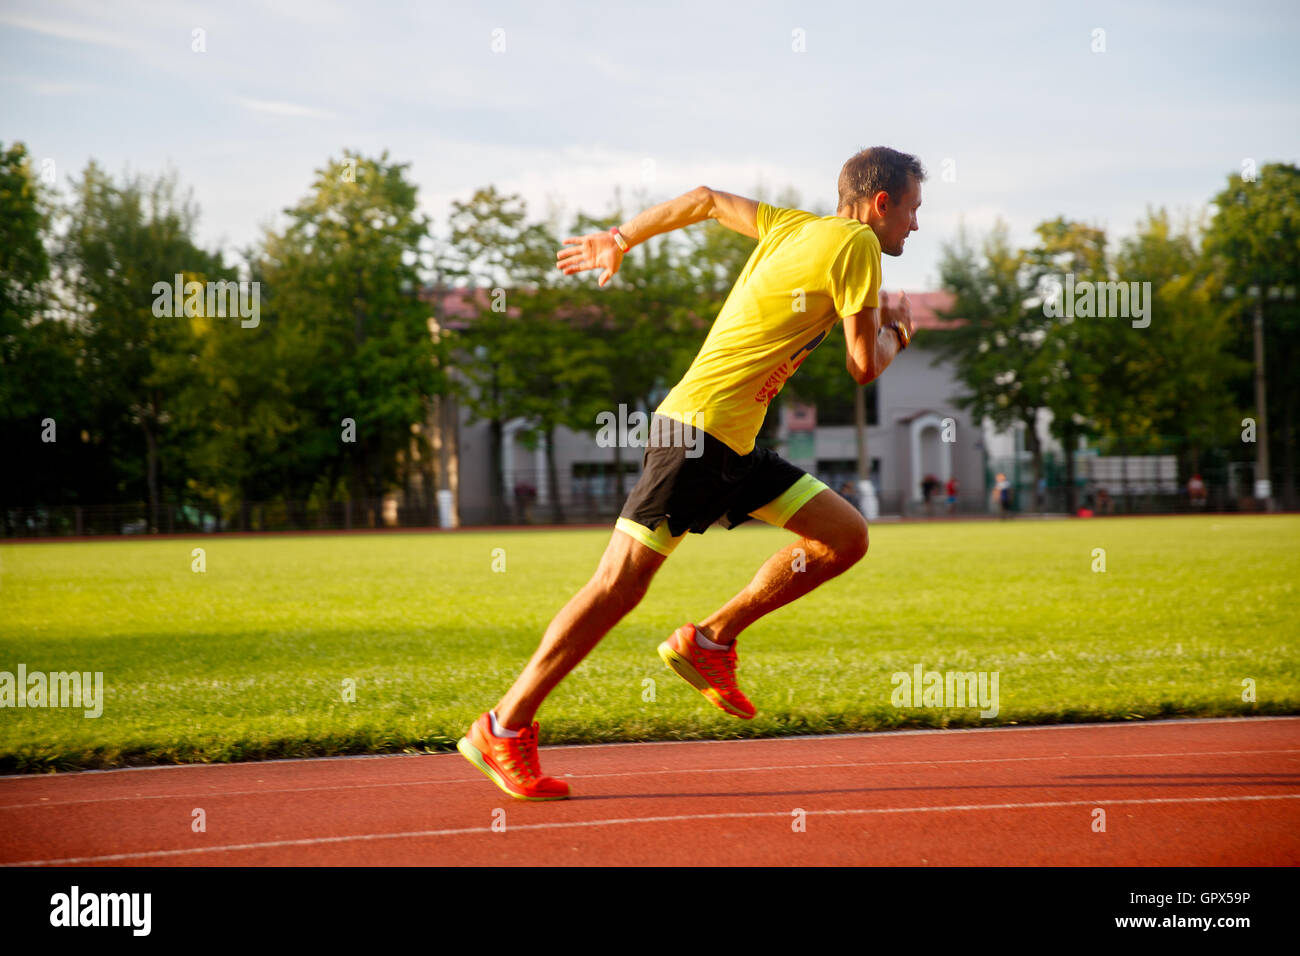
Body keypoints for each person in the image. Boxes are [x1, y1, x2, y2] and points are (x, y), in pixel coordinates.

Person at [457, 147, 924, 800]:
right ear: (881, 203)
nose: (915, 226)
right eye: (912, 210)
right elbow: (861, 365)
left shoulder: (795, 227)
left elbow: (704, 198)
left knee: (843, 536)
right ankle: (503, 725)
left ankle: (710, 640)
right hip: (696, 434)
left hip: (731, 440)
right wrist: (899, 335)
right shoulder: (857, 246)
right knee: (617, 586)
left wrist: (620, 239)